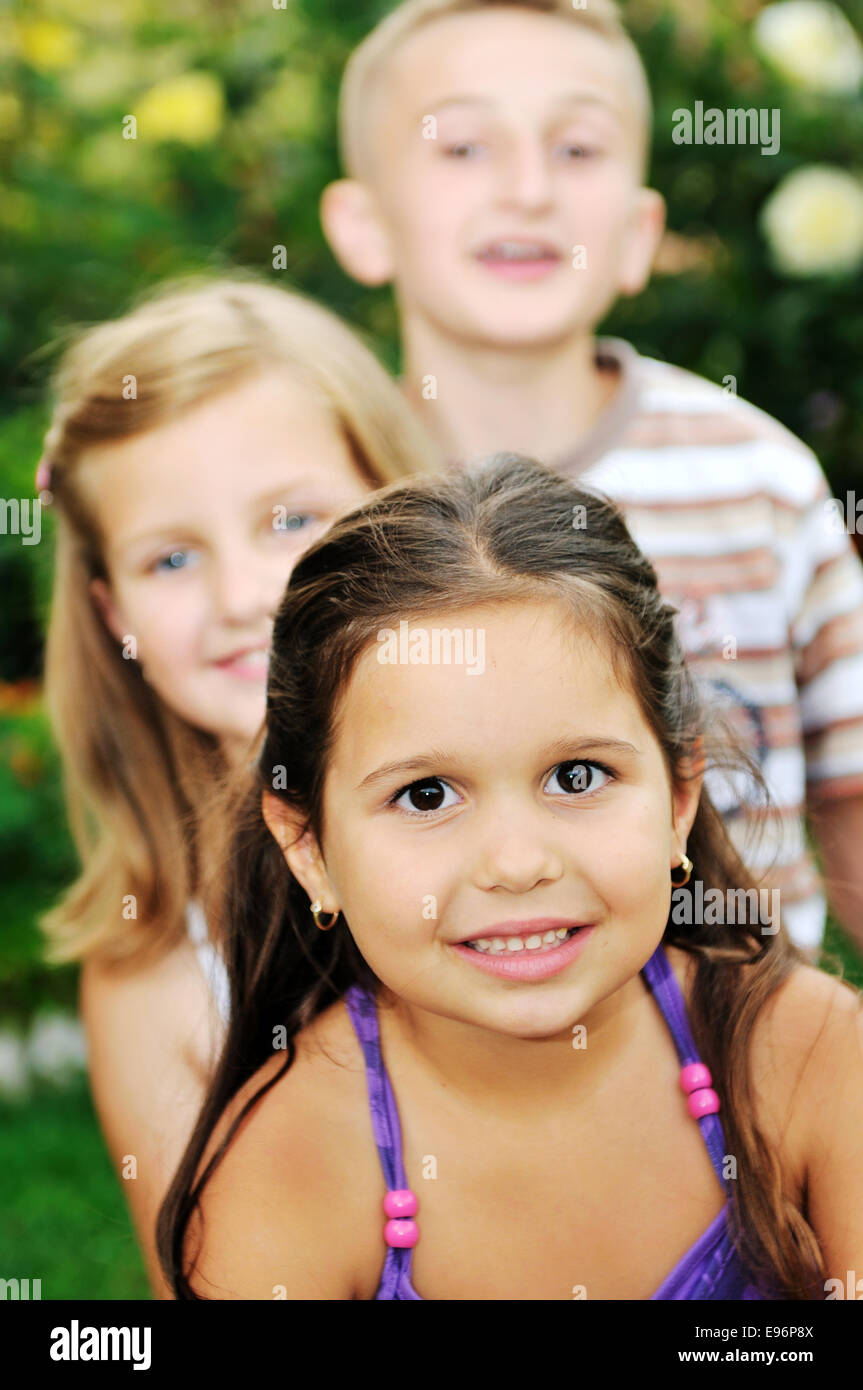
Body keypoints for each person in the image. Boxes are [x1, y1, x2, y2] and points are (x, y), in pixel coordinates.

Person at [157, 456, 862, 1301]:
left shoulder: (802, 1054)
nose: (518, 863)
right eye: (425, 795)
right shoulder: (288, 1169)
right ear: (309, 847)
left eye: (575, 776)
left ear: (678, 798)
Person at [319, 0, 863, 960]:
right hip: (436, 1084)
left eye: (576, 150)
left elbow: (850, 788)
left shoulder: (757, 477)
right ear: (363, 225)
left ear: (636, 232)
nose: (528, 189)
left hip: (749, 1071)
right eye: (462, 148)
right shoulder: (324, 494)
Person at [35, 273, 442, 1295]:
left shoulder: (548, 818)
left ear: (401, 507)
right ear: (111, 610)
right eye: (171, 557)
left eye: (289, 518)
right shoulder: (156, 972)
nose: (241, 594)